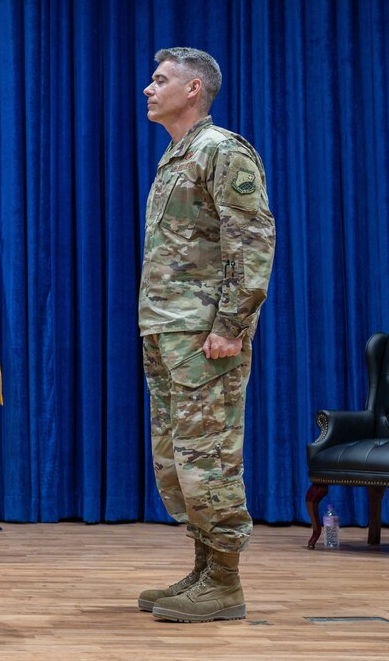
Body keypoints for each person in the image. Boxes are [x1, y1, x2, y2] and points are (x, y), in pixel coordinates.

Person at [136, 47, 275, 623]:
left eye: (160, 79)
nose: (148, 88)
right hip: (168, 331)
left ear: (193, 90)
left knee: (208, 458)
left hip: (203, 337)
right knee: (175, 459)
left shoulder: (222, 151)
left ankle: (224, 582)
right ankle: (202, 569)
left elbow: (253, 240)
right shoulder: (177, 156)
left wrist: (231, 326)